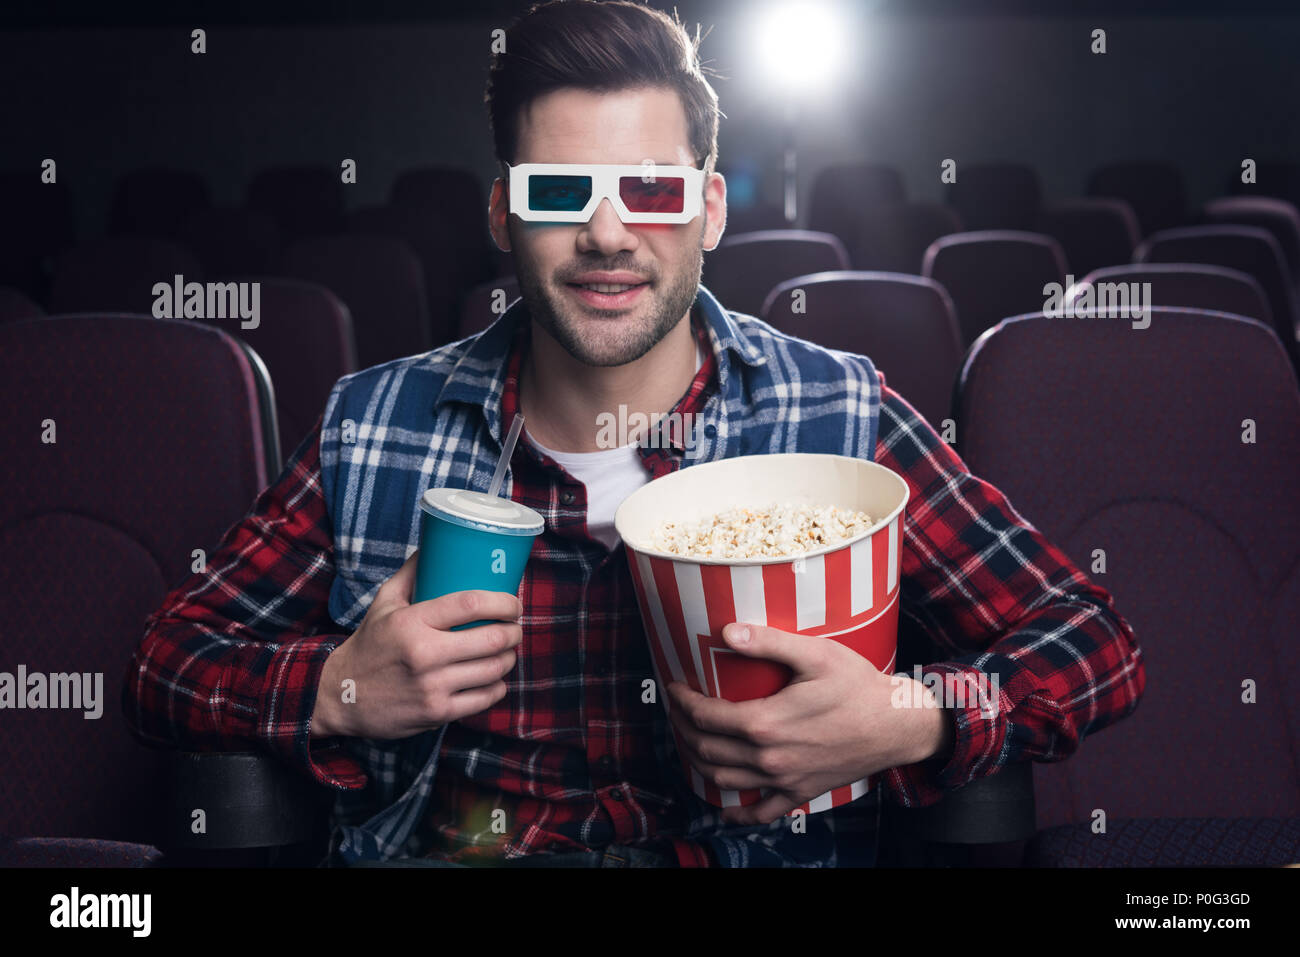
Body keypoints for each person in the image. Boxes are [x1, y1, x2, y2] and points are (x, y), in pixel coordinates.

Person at [122, 0, 1145, 868]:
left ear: (708, 211)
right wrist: (340, 687)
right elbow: (167, 663)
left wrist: (911, 719)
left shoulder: (838, 416)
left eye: (650, 191)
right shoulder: (374, 426)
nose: (608, 234)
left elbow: (1091, 640)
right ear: (500, 217)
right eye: (558, 192)